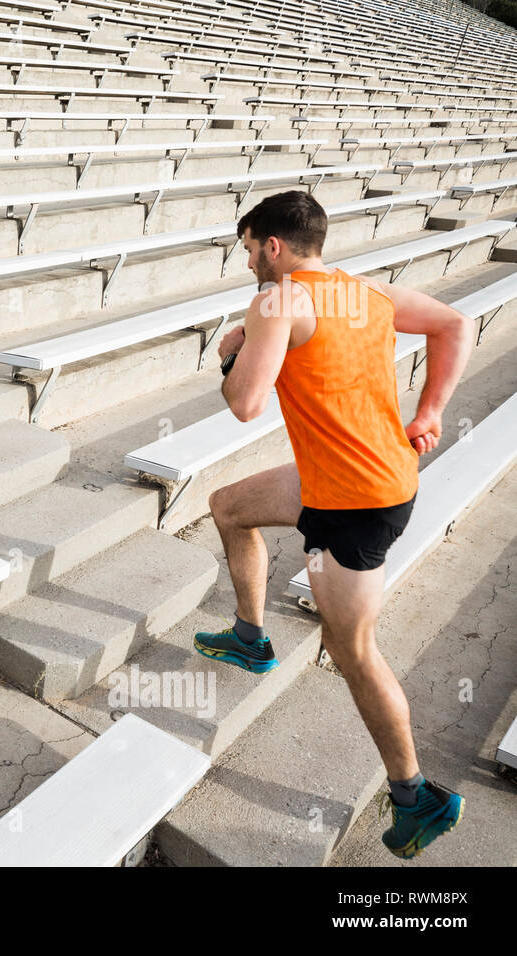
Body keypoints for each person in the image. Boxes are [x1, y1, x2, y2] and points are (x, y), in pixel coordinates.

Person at [193, 190, 472, 859]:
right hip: (349, 477)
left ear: (274, 246)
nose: (249, 263)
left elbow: (246, 404)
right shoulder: (366, 292)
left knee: (353, 654)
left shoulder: (276, 301)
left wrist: (231, 353)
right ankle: (250, 635)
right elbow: (455, 324)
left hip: (353, 504)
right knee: (228, 506)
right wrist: (430, 412)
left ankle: (417, 797)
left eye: (250, 250)